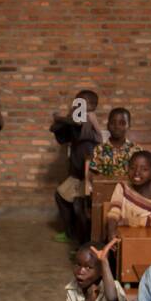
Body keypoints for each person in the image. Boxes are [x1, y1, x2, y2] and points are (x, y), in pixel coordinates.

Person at [50, 90, 100, 244]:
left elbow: (79, 125)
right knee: (61, 196)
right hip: (77, 173)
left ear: (91, 106)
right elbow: (57, 131)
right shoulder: (75, 120)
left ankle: (81, 244)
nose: (78, 106)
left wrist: (61, 118)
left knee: (80, 208)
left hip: (88, 175)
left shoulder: (89, 119)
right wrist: (61, 121)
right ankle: (69, 232)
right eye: (76, 102)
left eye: (82, 103)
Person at [104, 150, 151, 241]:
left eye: (144, 169)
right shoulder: (122, 187)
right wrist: (111, 231)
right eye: (132, 168)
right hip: (124, 233)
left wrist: (126, 221)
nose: (137, 172)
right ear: (127, 168)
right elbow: (114, 211)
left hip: (148, 236)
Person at [86, 107, 140, 191]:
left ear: (129, 126)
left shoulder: (136, 150)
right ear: (107, 125)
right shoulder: (99, 149)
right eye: (112, 123)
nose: (117, 126)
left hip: (130, 192)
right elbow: (93, 174)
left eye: (122, 123)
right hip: (106, 191)